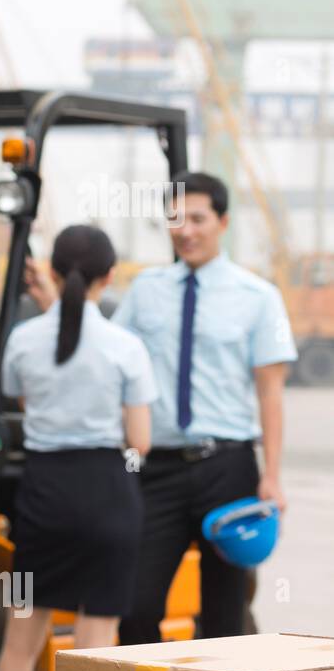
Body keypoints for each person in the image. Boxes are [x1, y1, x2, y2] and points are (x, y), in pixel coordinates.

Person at [0, 225, 156, 671]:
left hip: (44, 494)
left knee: (19, 645)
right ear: (109, 276)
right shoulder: (125, 346)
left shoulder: (24, 340)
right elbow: (141, 442)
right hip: (107, 492)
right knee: (95, 646)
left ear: (53, 273)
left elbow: (21, 393)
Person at [111, 172, 295, 644]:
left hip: (229, 468)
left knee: (223, 617)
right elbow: (111, 355)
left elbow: (270, 393)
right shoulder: (146, 290)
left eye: (198, 218)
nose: (186, 230)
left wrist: (270, 474)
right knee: (135, 606)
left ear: (223, 221)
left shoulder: (259, 297)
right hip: (159, 469)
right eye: (176, 219)